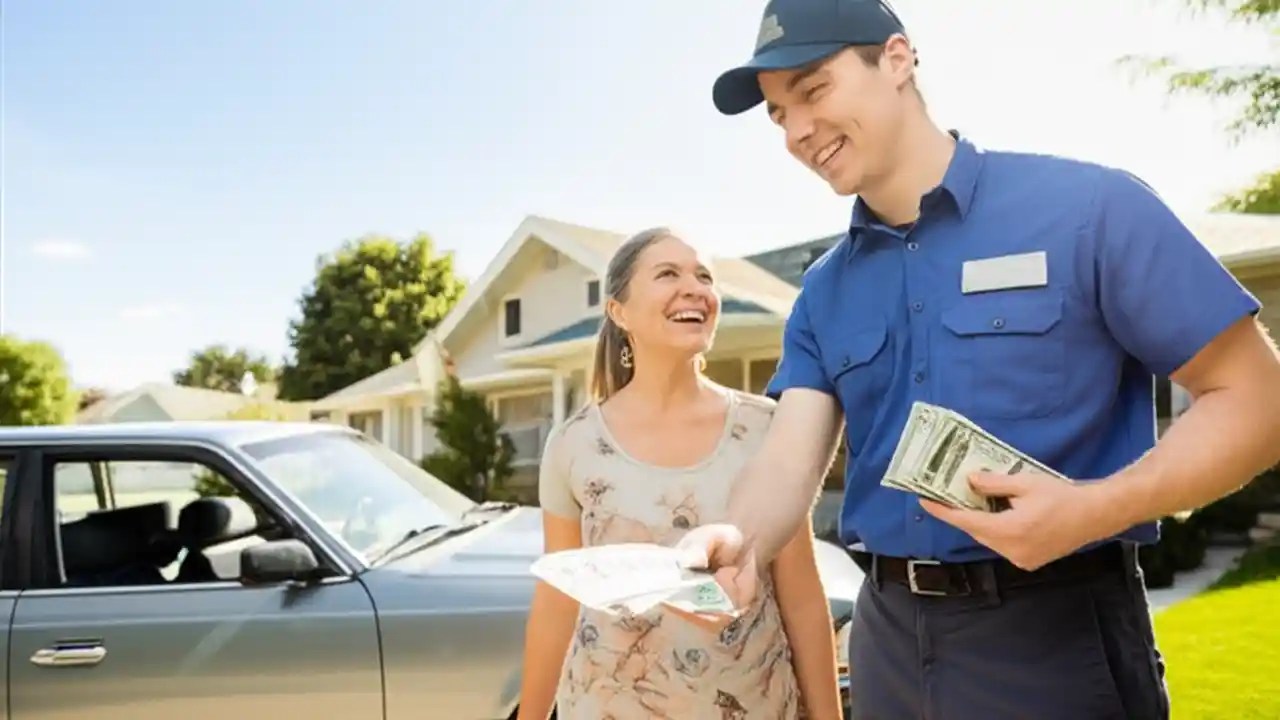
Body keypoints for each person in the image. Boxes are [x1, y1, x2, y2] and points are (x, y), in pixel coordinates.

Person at [676, 1, 1280, 719]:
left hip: (1057, 641)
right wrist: (739, 540)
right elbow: (788, 460)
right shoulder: (824, 290)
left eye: (813, 89)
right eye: (778, 114)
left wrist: (1095, 509)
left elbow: (1257, 399)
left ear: (896, 59)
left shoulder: (1090, 209)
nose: (798, 131)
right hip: (887, 647)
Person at [516, 227, 845, 720]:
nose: (695, 288)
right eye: (667, 273)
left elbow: (800, 595)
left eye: (704, 277)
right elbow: (558, 599)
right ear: (618, 311)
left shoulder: (766, 429)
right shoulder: (573, 444)